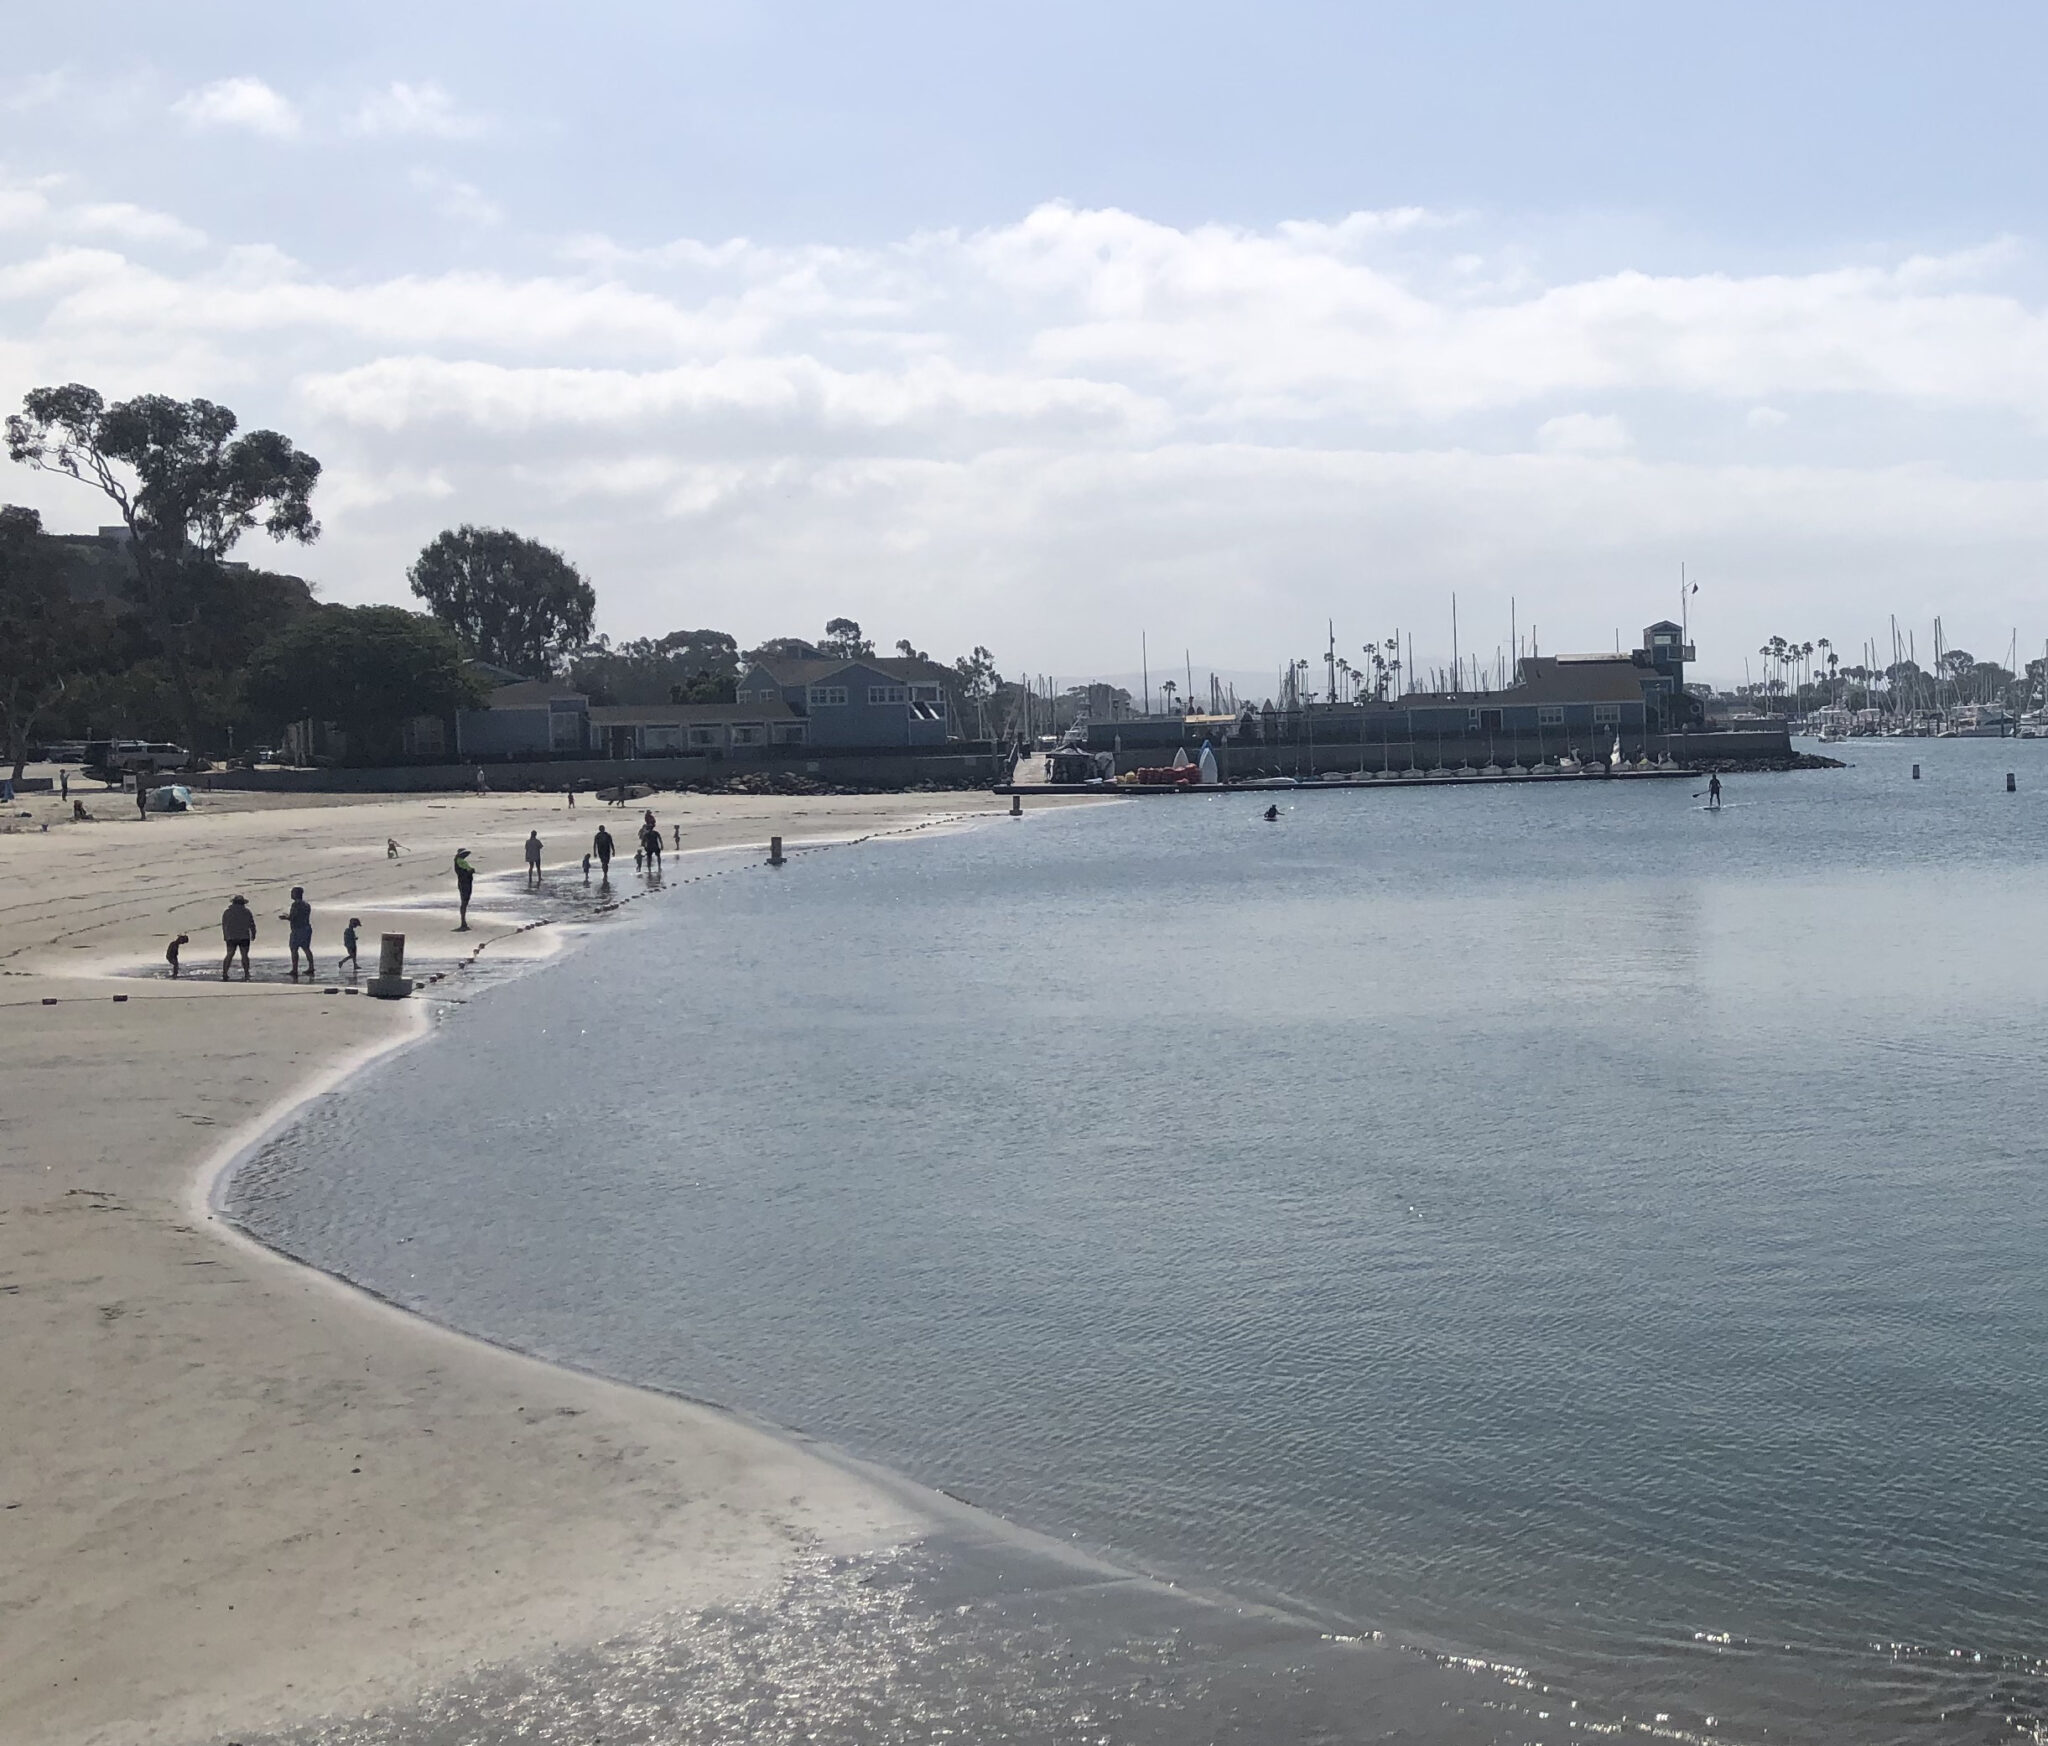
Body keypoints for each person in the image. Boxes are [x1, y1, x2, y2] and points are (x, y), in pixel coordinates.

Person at [281, 886, 316, 979]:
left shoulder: (295, 905)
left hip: (298, 929)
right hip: (306, 928)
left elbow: (293, 917)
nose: (291, 894)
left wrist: (285, 917)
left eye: (292, 893)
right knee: (306, 948)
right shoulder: (307, 904)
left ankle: (295, 969)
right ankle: (311, 967)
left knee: (294, 949)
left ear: (296, 894)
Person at [220, 895, 256, 980]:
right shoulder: (247, 912)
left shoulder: (227, 912)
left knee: (229, 954)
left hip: (231, 936)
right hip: (244, 936)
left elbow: (224, 925)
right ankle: (246, 973)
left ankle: (225, 972)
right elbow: (251, 924)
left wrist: (225, 936)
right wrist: (253, 934)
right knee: (244, 955)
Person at [453, 847, 476, 930]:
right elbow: (463, 872)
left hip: (465, 883)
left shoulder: (460, 861)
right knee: (464, 902)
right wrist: (470, 871)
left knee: (464, 902)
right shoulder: (459, 861)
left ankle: (463, 922)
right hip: (464, 883)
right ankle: (463, 922)